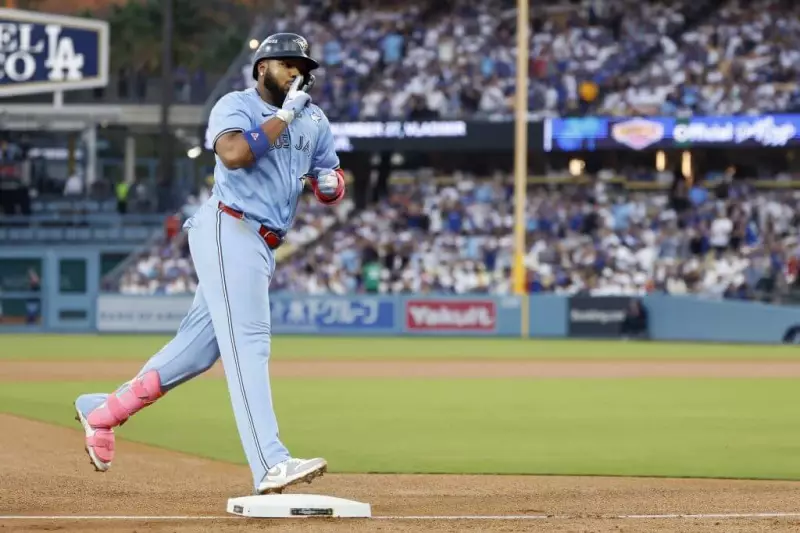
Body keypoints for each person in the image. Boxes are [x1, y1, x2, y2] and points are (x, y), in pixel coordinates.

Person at [73, 33, 345, 495]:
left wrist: (329, 183)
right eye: (288, 64)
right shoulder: (234, 105)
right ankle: (269, 463)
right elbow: (235, 155)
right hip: (228, 227)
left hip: (264, 243)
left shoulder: (314, 119)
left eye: (303, 66)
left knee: (197, 353)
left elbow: (332, 175)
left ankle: (103, 412)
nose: (299, 72)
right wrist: (283, 116)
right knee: (250, 343)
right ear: (262, 68)